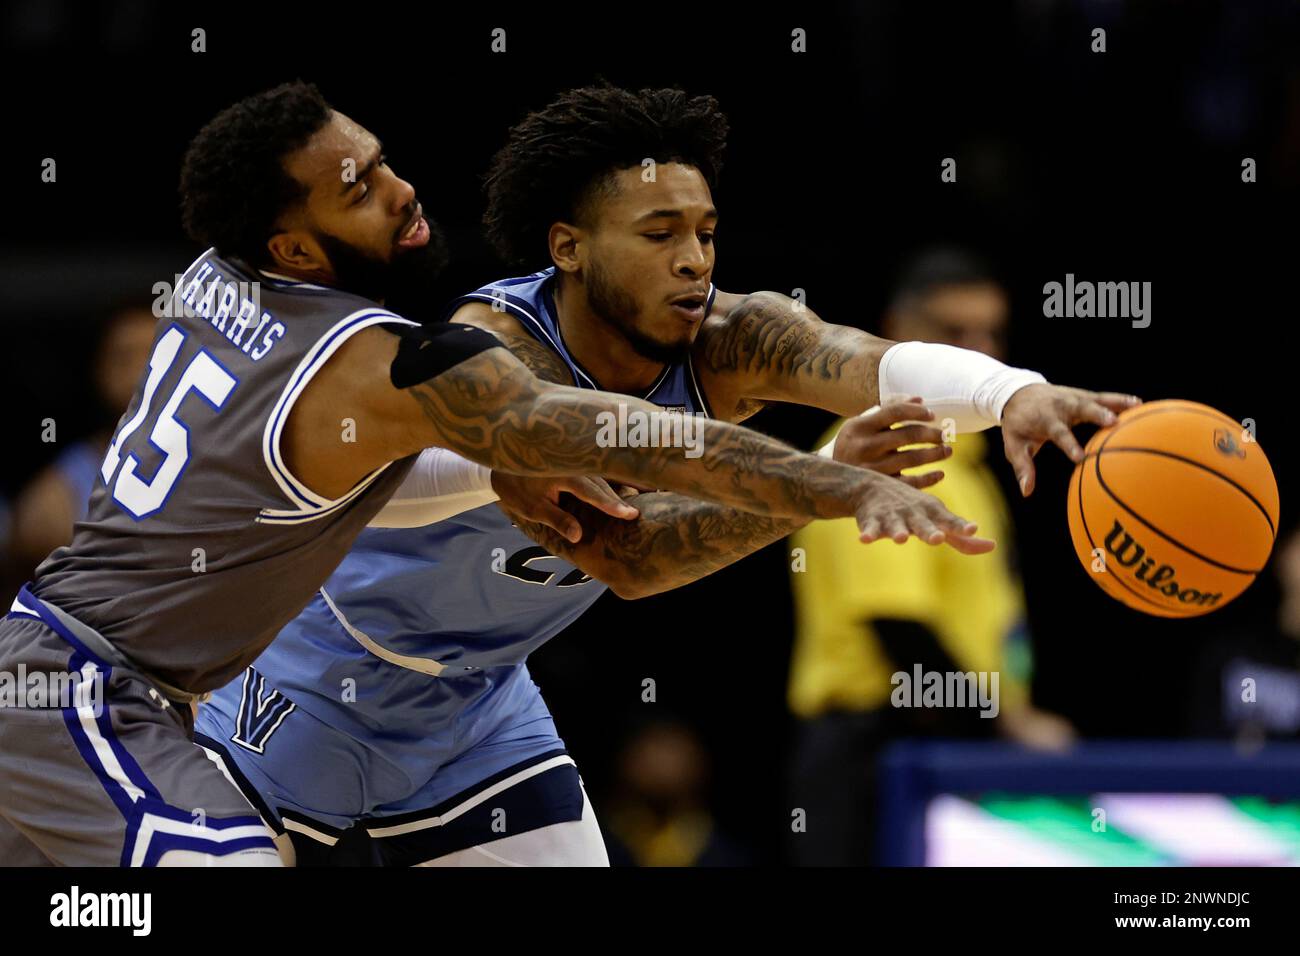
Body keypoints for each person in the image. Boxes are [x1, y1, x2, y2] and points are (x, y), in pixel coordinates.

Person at [0, 82, 987, 868]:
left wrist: (489, 463)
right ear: (295, 244)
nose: (400, 191)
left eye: (383, 162)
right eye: (359, 190)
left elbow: (432, 460)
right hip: (98, 684)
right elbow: (610, 438)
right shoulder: (373, 353)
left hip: (250, 689)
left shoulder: (221, 274)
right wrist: (834, 485)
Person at [194, 87, 1135, 866]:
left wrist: (1013, 394)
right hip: (314, 674)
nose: (694, 261)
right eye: (658, 234)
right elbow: (624, 557)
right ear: (567, 247)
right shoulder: (494, 355)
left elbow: (864, 362)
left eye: (707, 232)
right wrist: (814, 487)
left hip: (479, 705)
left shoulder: (728, 339)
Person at [786, 248, 1079, 866]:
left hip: (942, 740)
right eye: (954, 333)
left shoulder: (966, 465)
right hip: (877, 749)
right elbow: (899, 631)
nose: (981, 353)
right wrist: (1005, 727)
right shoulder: (874, 450)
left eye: (991, 332)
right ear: (897, 333)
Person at [9, 306, 155, 574]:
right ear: (99, 370)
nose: (138, 374)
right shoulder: (56, 494)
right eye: (124, 358)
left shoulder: (218, 467)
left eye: (152, 357)